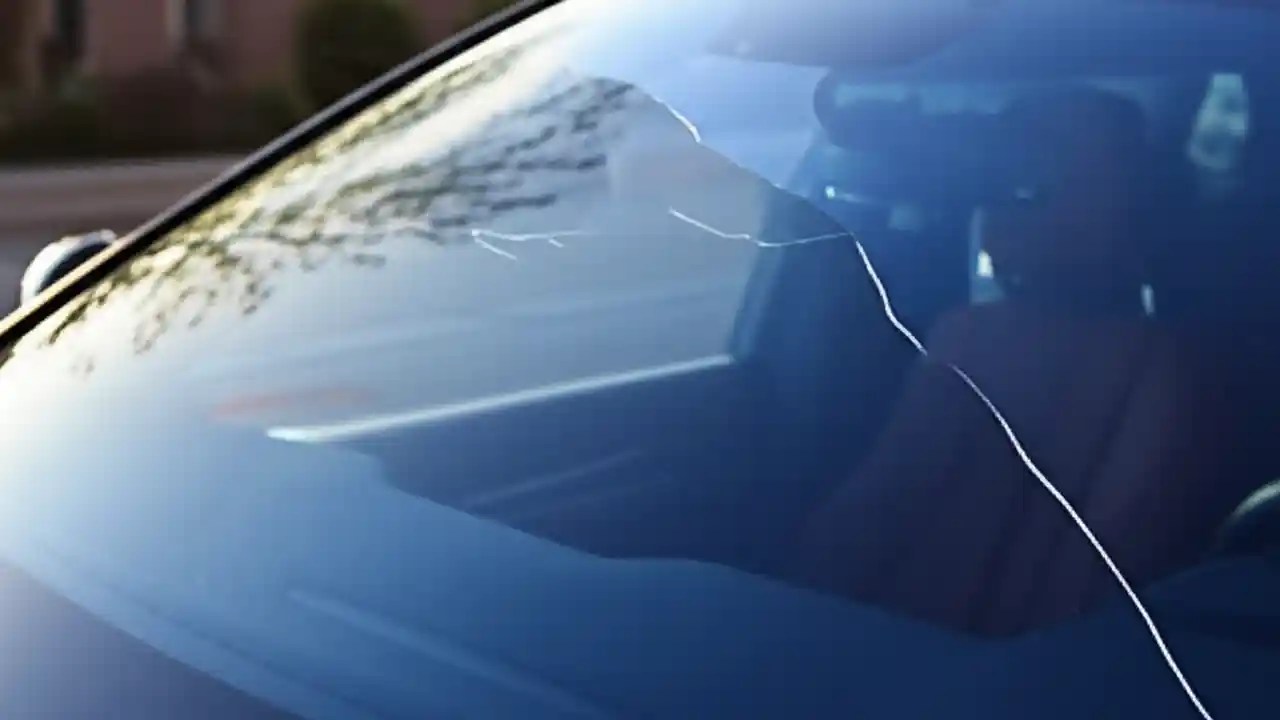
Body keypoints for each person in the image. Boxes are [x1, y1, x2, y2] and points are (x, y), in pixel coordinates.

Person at [794, 87, 1249, 636]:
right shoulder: (966, 338)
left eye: (1033, 183)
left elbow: (1091, 598)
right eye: (1010, 182)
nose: (1006, 201)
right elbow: (856, 532)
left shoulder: (1170, 372)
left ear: (1131, 203)